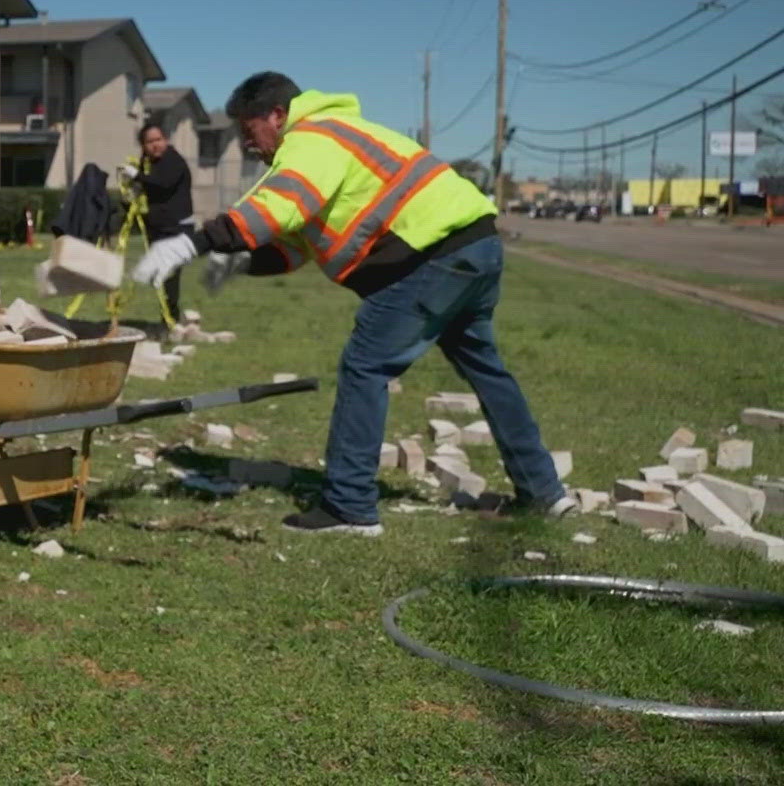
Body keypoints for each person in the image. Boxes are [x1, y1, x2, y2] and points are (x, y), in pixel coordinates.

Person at [130, 71, 570, 535]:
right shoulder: (336, 136)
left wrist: (193, 243)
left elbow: (284, 204)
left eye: (250, 132)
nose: (249, 146)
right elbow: (298, 239)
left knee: (365, 365)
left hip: (430, 257)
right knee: (486, 369)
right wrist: (241, 262)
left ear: (277, 116)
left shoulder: (312, 137)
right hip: (473, 247)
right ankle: (543, 491)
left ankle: (350, 506)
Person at [121, 119, 195, 324]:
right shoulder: (150, 164)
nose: (155, 145)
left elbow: (163, 184)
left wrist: (137, 177)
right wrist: (132, 192)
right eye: (149, 142)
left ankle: (170, 322)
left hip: (177, 228)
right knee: (160, 279)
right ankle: (169, 319)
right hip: (159, 228)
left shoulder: (173, 160)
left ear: (166, 139)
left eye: (159, 139)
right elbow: (151, 191)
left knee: (169, 277)